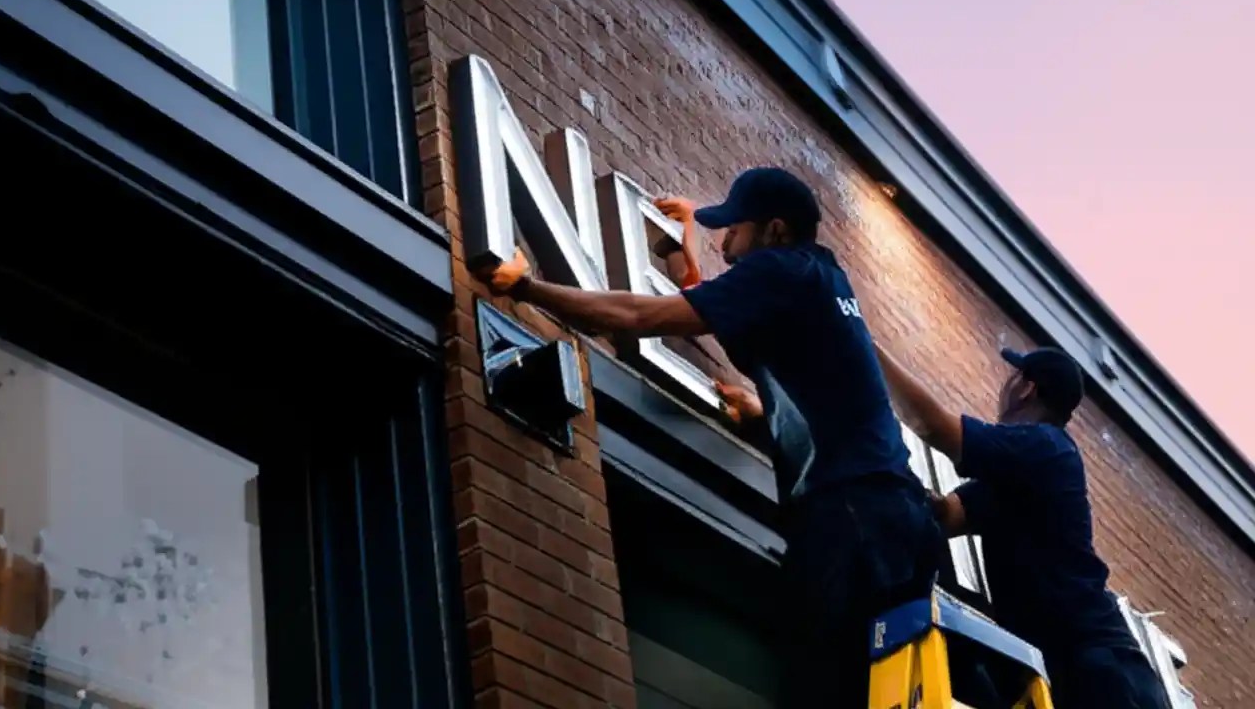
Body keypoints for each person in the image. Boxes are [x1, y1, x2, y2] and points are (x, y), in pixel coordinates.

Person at [475, 167, 942, 708]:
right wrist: (690, 267)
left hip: (853, 517)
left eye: (734, 232)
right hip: (896, 518)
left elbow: (634, 313)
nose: (725, 247)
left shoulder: (782, 273)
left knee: (824, 685)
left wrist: (528, 287)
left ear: (773, 231)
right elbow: (758, 331)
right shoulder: (821, 276)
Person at [873, 341, 1171, 708]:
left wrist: (866, 348)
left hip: (1107, 674)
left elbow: (933, 427)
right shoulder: (1013, 482)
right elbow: (946, 515)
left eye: (1012, 376)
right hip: (1075, 673)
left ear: (1025, 387)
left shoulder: (1047, 447)